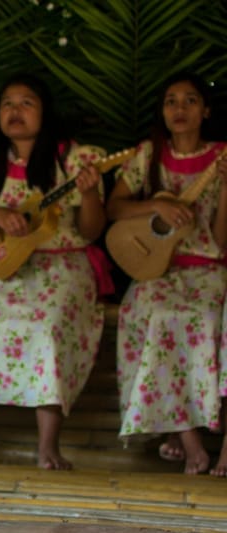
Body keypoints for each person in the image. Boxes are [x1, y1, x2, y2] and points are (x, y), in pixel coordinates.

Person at [0, 73, 109, 470]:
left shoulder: (74, 160)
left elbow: (92, 231)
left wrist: (87, 193)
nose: (15, 111)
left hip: (63, 264)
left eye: (26, 102)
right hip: (3, 265)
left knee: (47, 324)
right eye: (7, 104)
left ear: (45, 112)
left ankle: (48, 445)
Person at [107, 72, 227, 475]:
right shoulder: (148, 155)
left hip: (209, 271)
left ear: (206, 110)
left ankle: (200, 436)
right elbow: (115, 208)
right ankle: (189, 438)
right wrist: (155, 209)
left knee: (207, 319)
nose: (180, 109)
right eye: (171, 101)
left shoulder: (222, 156)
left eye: (191, 100)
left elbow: (223, 240)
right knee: (153, 313)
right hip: (158, 272)